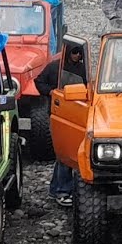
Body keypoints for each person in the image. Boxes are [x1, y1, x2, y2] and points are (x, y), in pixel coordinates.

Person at [36, 45, 86, 206]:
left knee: (63, 154)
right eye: (74, 52)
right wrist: (51, 92)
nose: (77, 56)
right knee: (65, 153)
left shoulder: (83, 69)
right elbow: (38, 81)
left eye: (79, 53)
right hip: (58, 113)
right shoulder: (54, 67)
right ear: (68, 53)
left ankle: (55, 188)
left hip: (76, 113)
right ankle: (63, 191)